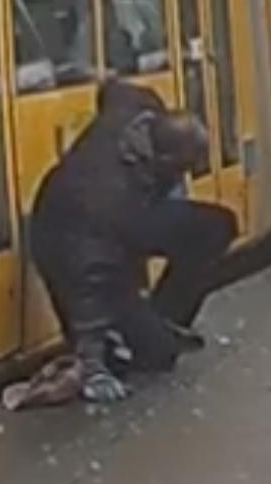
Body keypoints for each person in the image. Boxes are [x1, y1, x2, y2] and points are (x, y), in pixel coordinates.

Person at [30, 79, 237, 402]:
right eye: (182, 168)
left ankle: (165, 316)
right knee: (156, 356)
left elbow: (114, 88)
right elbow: (89, 276)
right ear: (164, 159)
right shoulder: (106, 194)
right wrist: (93, 364)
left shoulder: (136, 108)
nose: (184, 176)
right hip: (63, 245)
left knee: (217, 225)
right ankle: (121, 341)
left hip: (120, 226)